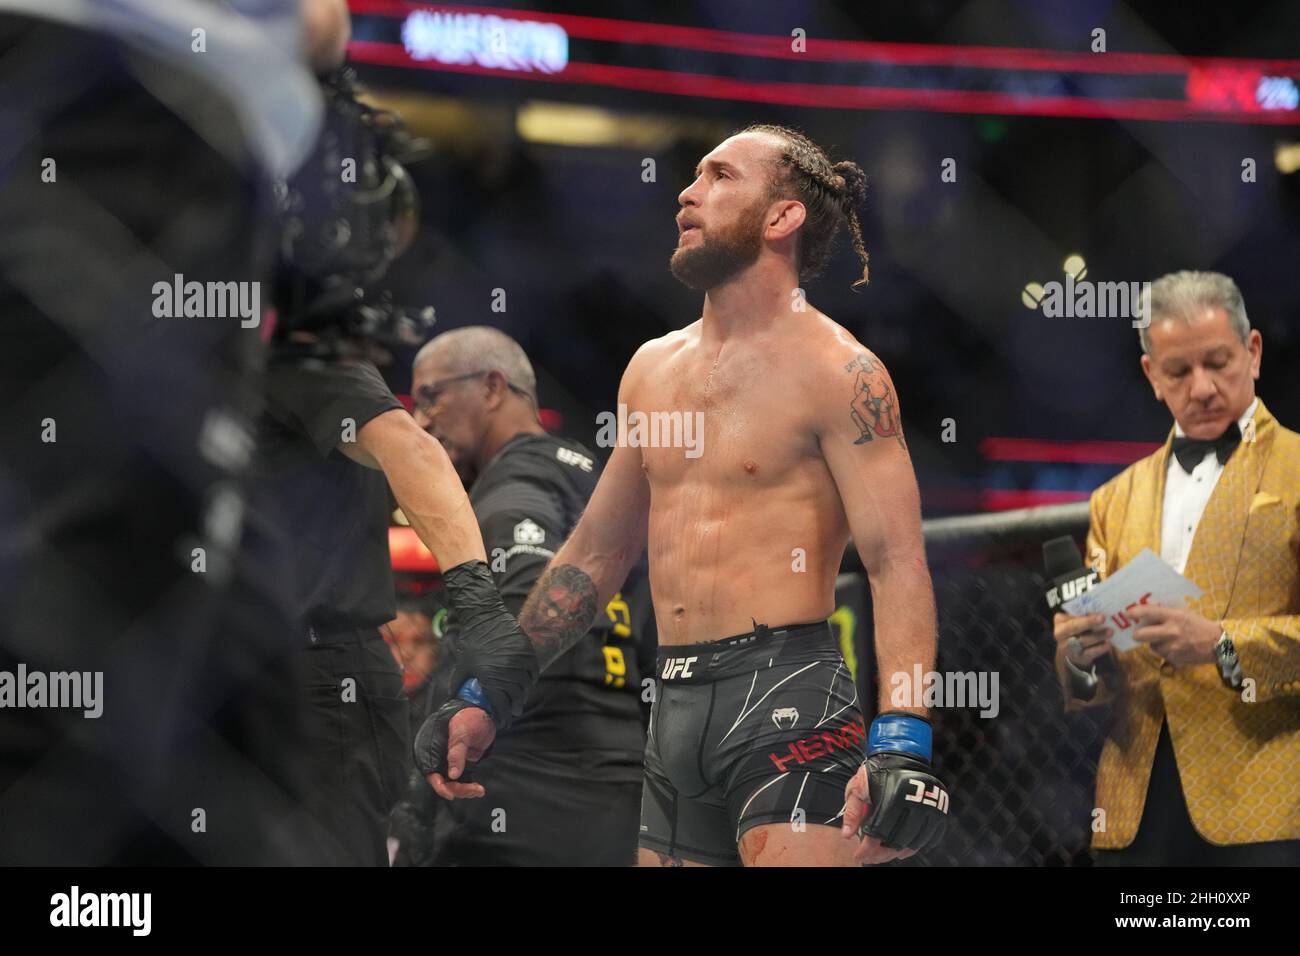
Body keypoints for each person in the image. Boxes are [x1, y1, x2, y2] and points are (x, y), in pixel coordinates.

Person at [418, 125, 950, 867]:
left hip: (787, 695)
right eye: (694, 175)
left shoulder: (842, 374)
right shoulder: (651, 370)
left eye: (720, 175)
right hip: (670, 702)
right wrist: (492, 691)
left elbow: (897, 561)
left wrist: (904, 738)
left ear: (781, 217)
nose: (687, 191)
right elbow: (595, 553)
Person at [1053, 271, 1300, 866]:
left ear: (1254, 352)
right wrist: (1077, 656)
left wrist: (1221, 642)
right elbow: (1089, 688)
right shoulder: (1111, 499)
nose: (1204, 387)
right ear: (1151, 376)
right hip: (1133, 807)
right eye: (1180, 372)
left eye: (1219, 363)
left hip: (1266, 802)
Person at [410, 327, 650, 865]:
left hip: (524, 784)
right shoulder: (591, 473)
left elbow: (523, 599)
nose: (422, 421)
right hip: (620, 778)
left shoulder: (511, 481)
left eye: (431, 396)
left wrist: (467, 699)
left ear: (493, 386)